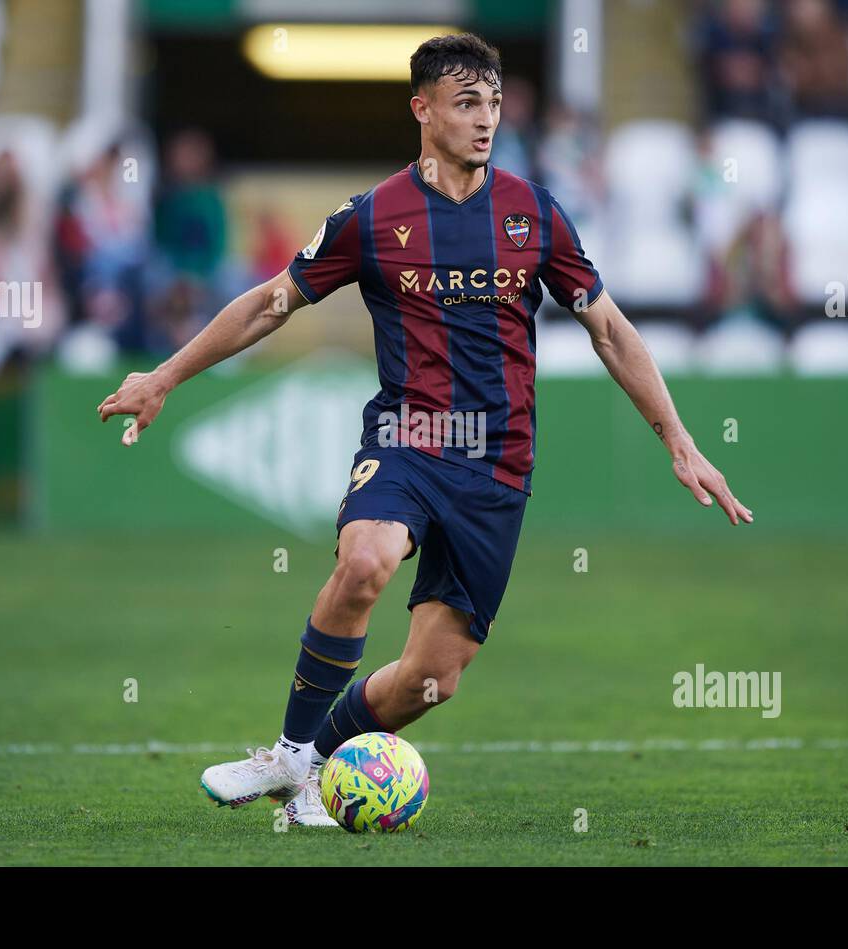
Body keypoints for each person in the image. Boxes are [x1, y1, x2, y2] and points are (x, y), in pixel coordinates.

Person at [96, 33, 753, 827]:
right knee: (367, 560)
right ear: (423, 109)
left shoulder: (534, 213)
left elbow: (609, 330)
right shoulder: (371, 218)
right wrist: (163, 375)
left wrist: (678, 441)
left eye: (495, 104)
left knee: (430, 679)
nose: (486, 120)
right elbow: (272, 303)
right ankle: (290, 757)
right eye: (467, 103)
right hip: (407, 439)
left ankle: (317, 773)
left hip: (499, 463)